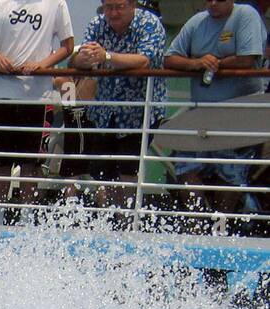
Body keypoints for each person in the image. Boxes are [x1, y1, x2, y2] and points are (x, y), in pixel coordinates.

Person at [164, 0, 267, 218]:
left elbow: (247, 59)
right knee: (184, 165)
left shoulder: (246, 14)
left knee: (231, 171)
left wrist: (214, 63)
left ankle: (222, 223)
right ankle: (200, 222)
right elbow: (169, 58)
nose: (212, 3)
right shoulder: (197, 21)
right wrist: (196, 63)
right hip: (201, 114)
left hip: (241, 112)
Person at [0, 0, 75, 209]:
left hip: (37, 97)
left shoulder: (56, 4)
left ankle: (26, 216)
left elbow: (68, 46)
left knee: (30, 162)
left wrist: (43, 64)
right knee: (0, 161)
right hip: (3, 95)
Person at [68, 0, 166, 209]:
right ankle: (109, 220)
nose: (113, 13)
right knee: (103, 170)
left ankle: (127, 220)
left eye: (119, 7)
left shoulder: (150, 23)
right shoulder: (97, 24)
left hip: (139, 111)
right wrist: (84, 59)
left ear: (132, 5)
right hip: (104, 111)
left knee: (129, 170)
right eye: (108, 7)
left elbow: (144, 60)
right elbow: (77, 61)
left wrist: (107, 56)